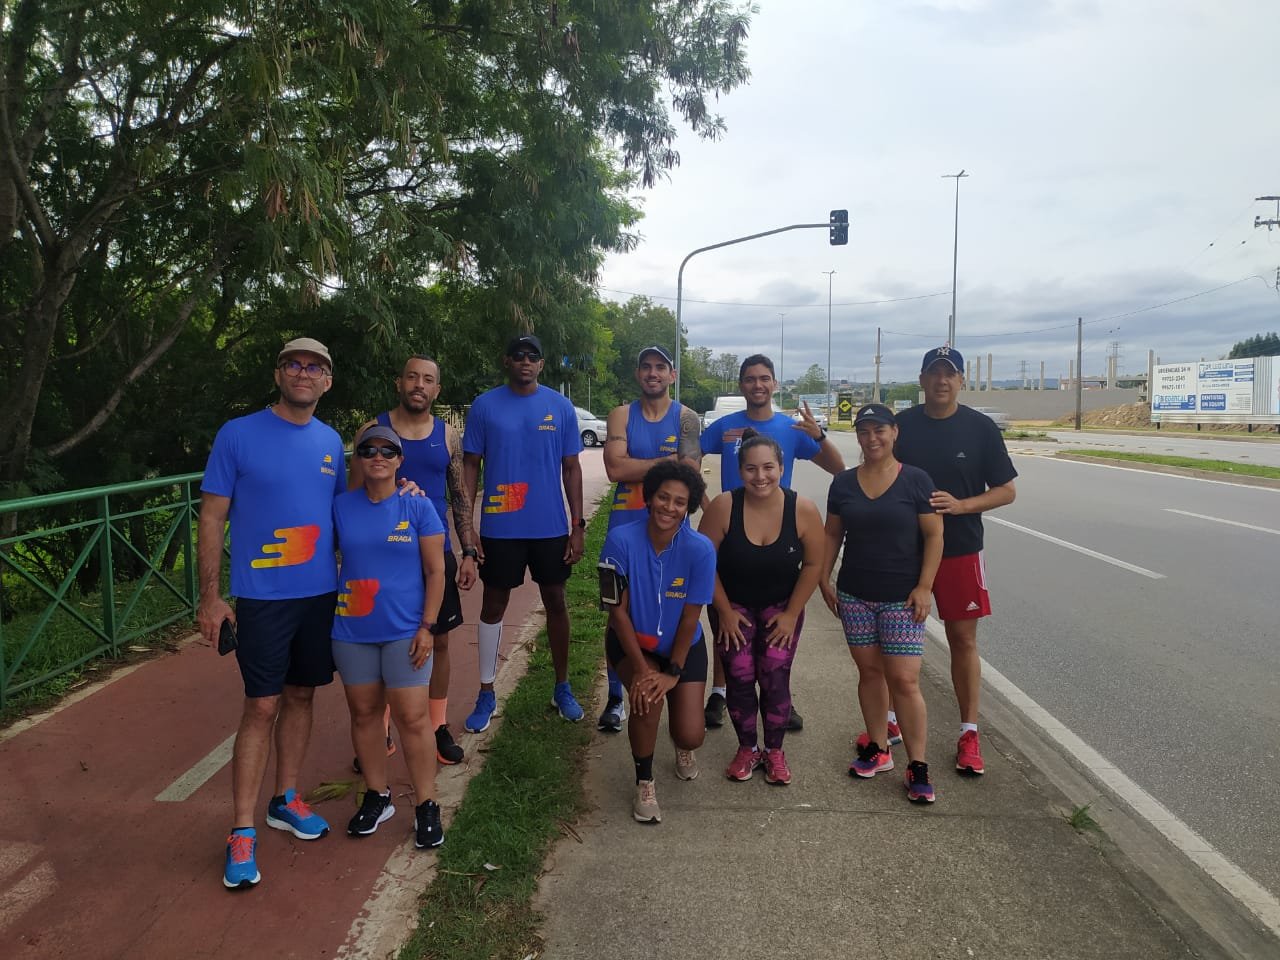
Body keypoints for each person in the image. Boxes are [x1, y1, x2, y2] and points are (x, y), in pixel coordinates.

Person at [197, 337, 345, 891]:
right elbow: (212, 518)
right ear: (280, 373)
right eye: (294, 364)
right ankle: (242, 830)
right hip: (261, 597)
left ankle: (286, 799)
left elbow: (341, 515)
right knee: (261, 706)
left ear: (327, 381)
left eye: (316, 367)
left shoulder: (331, 441)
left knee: (303, 695)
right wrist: (210, 597)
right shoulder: (238, 434)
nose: (304, 373)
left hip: (318, 595)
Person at [699, 353, 845, 730]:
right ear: (741, 385)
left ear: (775, 384)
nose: (757, 385)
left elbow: (837, 468)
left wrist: (819, 435)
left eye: (764, 378)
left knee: (777, 632)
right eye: (750, 379)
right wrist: (706, 504)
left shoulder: (791, 428)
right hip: (733, 534)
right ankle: (721, 692)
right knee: (726, 627)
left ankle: (780, 698)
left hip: (777, 536)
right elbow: (690, 458)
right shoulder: (724, 426)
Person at [894, 347, 1017, 776]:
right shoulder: (903, 426)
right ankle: (893, 721)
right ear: (922, 379)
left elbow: (1006, 490)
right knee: (897, 641)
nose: (941, 381)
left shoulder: (980, 428)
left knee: (962, 641)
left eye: (950, 374)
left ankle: (968, 732)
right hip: (904, 550)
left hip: (961, 549)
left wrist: (962, 505)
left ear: (961, 381)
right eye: (934, 374)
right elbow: (877, 469)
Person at [350, 355, 478, 767]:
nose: (419, 385)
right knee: (382, 640)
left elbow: (460, 496)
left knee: (438, 640)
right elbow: (351, 499)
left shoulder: (449, 436)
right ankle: (382, 724)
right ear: (398, 383)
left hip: (432, 553)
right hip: (380, 556)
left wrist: (469, 551)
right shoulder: (372, 431)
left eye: (428, 379)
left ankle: (437, 725)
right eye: (412, 377)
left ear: (437, 390)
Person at [461, 334, 586, 733]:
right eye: (519, 356)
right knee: (493, 604)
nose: (526, 362)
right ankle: (486, 691)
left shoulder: (560, 406)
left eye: (533, 356)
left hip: (549, 526)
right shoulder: (485, 406)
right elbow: (470, 466)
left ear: (542, 364)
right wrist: (468, 526)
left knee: (556, 601)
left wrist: (577, 525)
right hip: (500, 526)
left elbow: (572, 468)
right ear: (507, 361)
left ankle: (561, 687)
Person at [820, 403, 944, 803]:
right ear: (857, 436)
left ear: (894, 433)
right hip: (855, 593)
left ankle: (918, 764)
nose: (872, 439)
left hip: (902, 598)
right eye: (865, 432)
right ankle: (878, 748)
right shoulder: (843, 483)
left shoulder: (916, 481)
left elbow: (934, 537)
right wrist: (824, 577)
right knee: (870, 673)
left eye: (880, 431)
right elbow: (832, 534)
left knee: (905, 680)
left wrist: (925, 586)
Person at [332, 424, 447, 848]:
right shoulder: (341, 507)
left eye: (387, 450)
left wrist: (428, 627)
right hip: (352, 630)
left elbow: (436, 572)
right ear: (358, 460)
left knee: (413, 720)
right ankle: (378, 797)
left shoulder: (417, 506)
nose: (377, 455)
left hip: (406, 631)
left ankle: (426, 805)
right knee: (364, 716)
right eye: (368, 450)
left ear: (400, 460)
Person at [698, 430, 824, 786]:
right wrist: (722, 610)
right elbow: (704, 564)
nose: (760, 476)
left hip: (781, 607)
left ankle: (775, 751)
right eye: (751, 469)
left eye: (768, 467)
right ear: (740, 471)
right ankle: (747, 748)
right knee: (738, 677)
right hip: (732, 607)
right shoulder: (725, 506)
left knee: (774, 676)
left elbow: (814, 564)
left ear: (782, 468)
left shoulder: (802, 509)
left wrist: (790, 615)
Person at [599, 461, 714, 823]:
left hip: (683, 646)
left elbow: (691, 618)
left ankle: (683, 748)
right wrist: (643, 672)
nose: (669, 507)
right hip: (632, 641)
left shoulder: (701, 549)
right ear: (649, 497)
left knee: (691, 734)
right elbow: (617, 614)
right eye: (663, 497)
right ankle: (644, 780)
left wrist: (674, 671)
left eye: (680, 502)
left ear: (689, 507)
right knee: (646, 699)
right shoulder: (619, 539)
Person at [597, 345, 703, 732]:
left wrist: (639, 467)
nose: (653, 373)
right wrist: (666, 462)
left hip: (673, 529)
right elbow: (613, 468)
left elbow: (689, 474)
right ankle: (614, 697)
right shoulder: (621, 415)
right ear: (638, 374)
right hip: (624, 529)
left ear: (672, 375)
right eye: (646, 367)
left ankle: (672, 678)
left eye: (661, 367)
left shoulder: (687, 419)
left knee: (672, 606)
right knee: (617, 611)